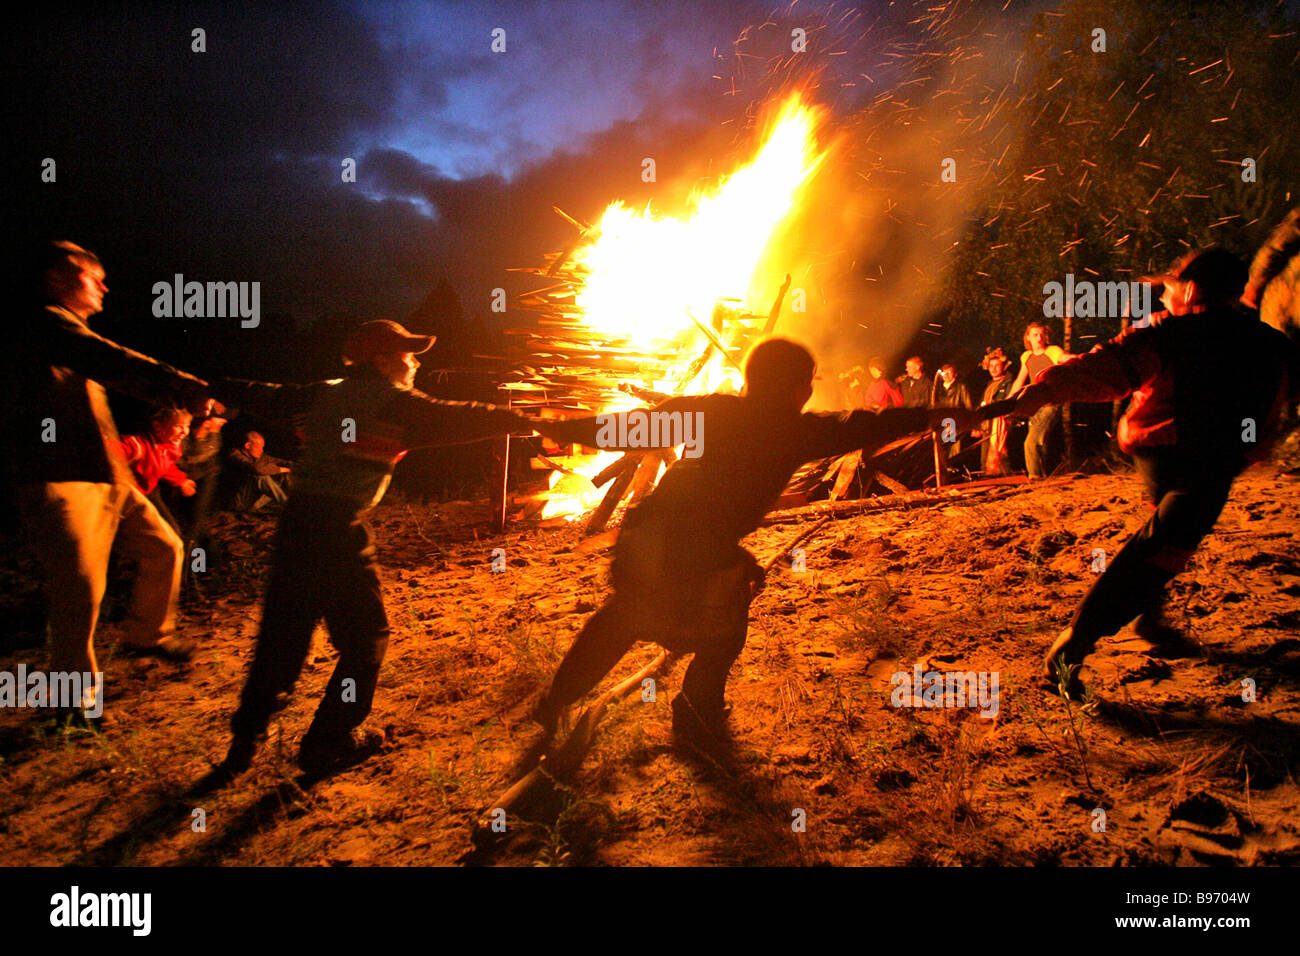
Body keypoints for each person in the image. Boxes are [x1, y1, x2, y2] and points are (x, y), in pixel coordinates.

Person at [532, 338, 960, 752]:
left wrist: (551, 426)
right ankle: (696, 712)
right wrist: (959, 415)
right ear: (800, 388)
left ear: (750, 379)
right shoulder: (797, 432)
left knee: (627, 616)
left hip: (646, 537)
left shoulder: (712, 411)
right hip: (686, 548)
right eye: (808, 381)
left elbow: (627, 429)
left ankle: (557, 700)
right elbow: (874, 424)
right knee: (721, 624)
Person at [220, 320, 561, 778]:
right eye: (407, 354)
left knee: (282, 638)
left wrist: (207, 389)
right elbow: (465, 416)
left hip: (297, 524)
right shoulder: (393, 402)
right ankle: (329, 742)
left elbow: (263, 394)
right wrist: (535, 422)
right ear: (381, 360)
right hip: (337, 529)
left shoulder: (323, 392)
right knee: (366, 639)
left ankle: (244, 743)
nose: (415, 362)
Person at [1010, 249, 1296, 690]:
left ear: (1191, 289)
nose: (1162, 298)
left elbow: (1106, 368)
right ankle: (1076, 641)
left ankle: (1146, 619)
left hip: (1158, 452)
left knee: (1163, 540)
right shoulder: (1269, 342)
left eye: (1168, 289)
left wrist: (1043, 391)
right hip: (1211, 463)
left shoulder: (1170, 333)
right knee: (1161, 547)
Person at [0, 242, 210, 718]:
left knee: (165, 547)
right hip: (59, 475)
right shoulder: (44, 323)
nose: (104, 285)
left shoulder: (67, 331)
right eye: (91, 274)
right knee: (79, 590)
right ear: (55, 278)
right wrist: (180, 385)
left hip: (107, 474)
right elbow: (110, 360)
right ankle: (73, 703)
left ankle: (148, 635)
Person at [120, 407, 198, 535]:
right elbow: (106, 452)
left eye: (187, 426)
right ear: (157, 426)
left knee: (172, 532)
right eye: (179, 426)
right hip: (130, 498)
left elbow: (165, 466)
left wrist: (180, 480)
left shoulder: (170, 444)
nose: (184, 432)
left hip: (150, 492)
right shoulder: (137, 446)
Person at [1008, 322, 1071, 478]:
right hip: (1034, 405)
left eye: (1042, 334)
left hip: (1051, 403)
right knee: (1040, 442)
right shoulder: (1026, 356)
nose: (1039, 338)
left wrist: (1077, 359)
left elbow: (1064, 358)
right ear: (1028, 337)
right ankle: (1045, 477)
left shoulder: (1052, 351)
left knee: (1030, 442)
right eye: (1035, 335)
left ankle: (1034, 477)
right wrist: (1009, 401)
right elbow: (1020, 380)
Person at [225, 429, 291, 511]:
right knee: (261, 477)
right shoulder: (235, 455)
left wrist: (295, 466)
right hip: (238, 502)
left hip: (252, 503)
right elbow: (256, 469)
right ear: (248, 445)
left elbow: (279, 461)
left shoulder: (257, 456)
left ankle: (294, 500)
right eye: (259, 447)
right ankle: (289, 506)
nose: (261, 450)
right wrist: (280, 469)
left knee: (282, 474)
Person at [976, 348, 1016, 476]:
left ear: (1003, 366)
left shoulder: (1008, 383)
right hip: (987, 425)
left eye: (997, 365)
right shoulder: (989, 384)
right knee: (985, 459)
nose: (993, 369)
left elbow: (1008, 403)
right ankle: (987, 481)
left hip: (1000, 424)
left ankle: (1007, 480)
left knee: (1001, 455)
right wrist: (977, 425)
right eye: (991, 366)